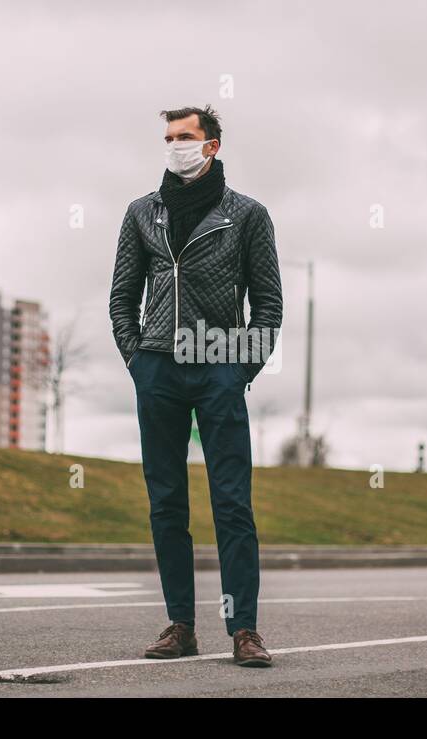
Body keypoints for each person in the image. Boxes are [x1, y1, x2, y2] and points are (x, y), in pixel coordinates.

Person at [108, 105, 283, 667]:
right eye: (168, 137)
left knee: (232, 503)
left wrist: (240, 368)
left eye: (185, 136)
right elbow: (121, 297)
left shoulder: (248, 215)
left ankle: (245, 630)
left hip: (218, 366)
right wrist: (137, 358)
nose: (174, 144)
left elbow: (268, 306)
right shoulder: (142, 213)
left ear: (211, 146)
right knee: (166, 503)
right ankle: (180, 625)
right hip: (157, 367)